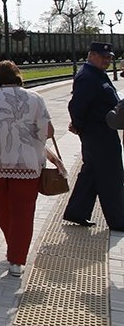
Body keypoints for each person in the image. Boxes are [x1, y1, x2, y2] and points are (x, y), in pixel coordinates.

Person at [0, 61, 66, 278]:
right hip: (27, 163)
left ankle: (12, 244)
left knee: (2, 207)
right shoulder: (35, 98)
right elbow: (48, 131)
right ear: (17, 75)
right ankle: (17, 259)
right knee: (23, 211)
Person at [64, 42, 124, 230]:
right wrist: (79, 127)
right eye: (103, 56)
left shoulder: (96, 74)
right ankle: (119, 220)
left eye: (109, 57)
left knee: (91, 173)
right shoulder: (87, 77)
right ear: (91, 55)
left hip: (102, 132)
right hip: (98, 134)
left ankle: (77, 212)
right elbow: (77, 105)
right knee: (111, 176)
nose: (107, 60)